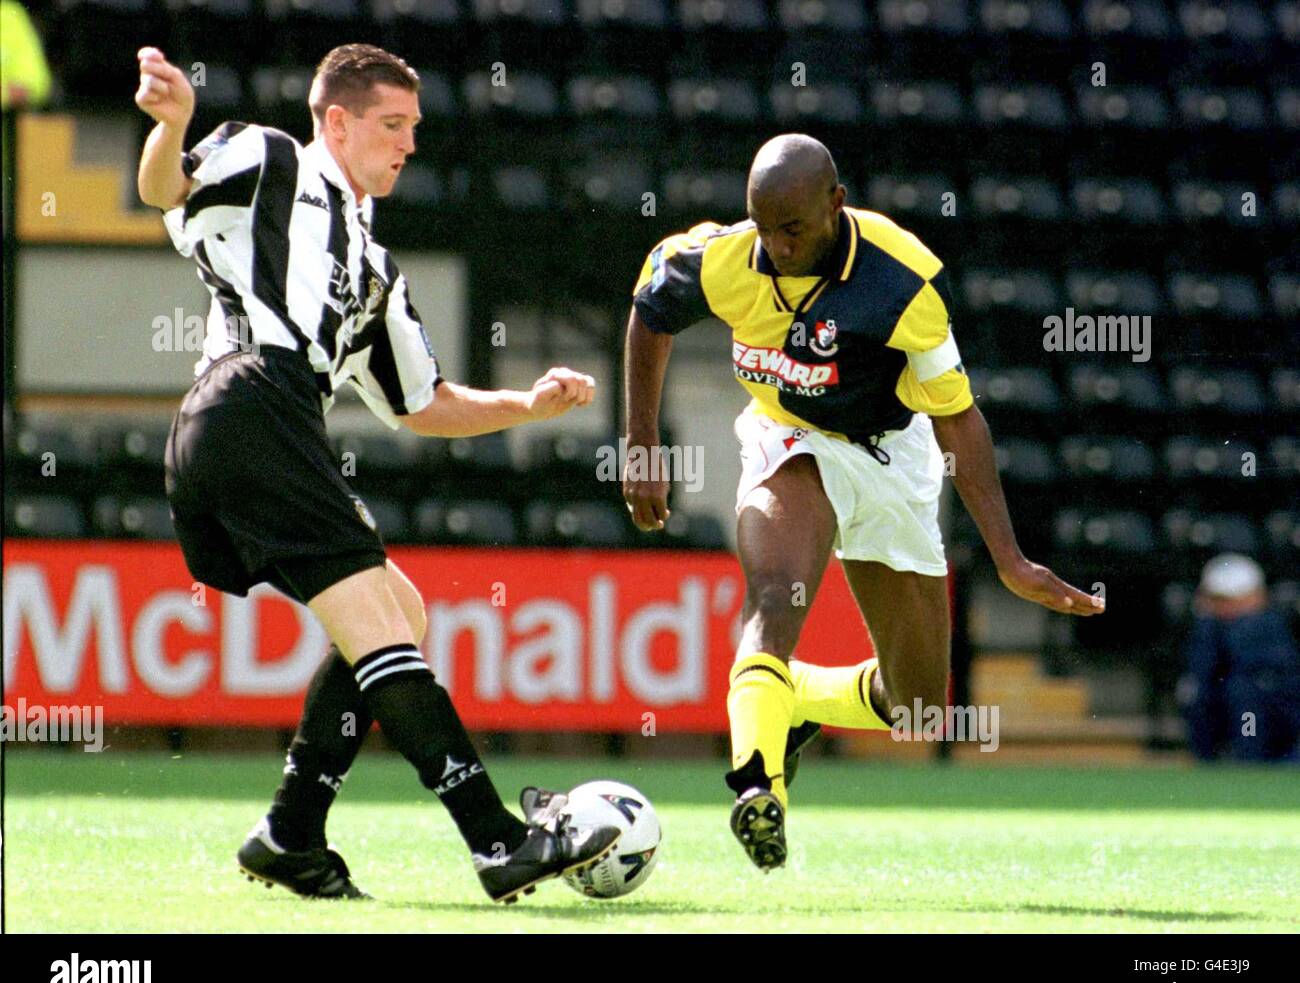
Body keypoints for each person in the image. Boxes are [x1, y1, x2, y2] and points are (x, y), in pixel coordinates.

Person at [134, 43, 618, 904]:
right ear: (337, 122)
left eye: (415, 129)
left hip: (270, 422)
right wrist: (172, 126)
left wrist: (530, 405)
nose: (408, 144)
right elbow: (161, 190)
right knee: (383, 630)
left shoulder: (375, 264)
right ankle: (497, 840)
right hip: (247, 400)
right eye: (392, 126)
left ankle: (290, 831)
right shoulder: (270, 156)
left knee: (403, 612)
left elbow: (422, 403)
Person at [618, 134, 1105, 871]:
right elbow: (649, 313)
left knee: (917, 705)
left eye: (793, 229)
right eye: (763, 226)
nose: (776, 246)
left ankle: (798, 699)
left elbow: (959, 418)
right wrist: (642, 442)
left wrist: (1008, 557)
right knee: (775, 600)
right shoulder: (725, 259)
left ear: (834, 204)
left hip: (891, 452)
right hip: (789, 437)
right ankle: (758, 785)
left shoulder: (902, 280)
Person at [1179, 554, 1300, 762]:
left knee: (1245, 694)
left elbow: (1266, 667)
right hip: (1225, 702)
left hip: (1275, 709)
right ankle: (1208, 760)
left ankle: (1250, 759)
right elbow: (1202, 668)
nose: (1226, 607)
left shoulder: (1269, 624)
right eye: (1219, 599)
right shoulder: (1207, 628)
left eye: (1233, 600)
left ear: (1257, 596)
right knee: (1194, 693)